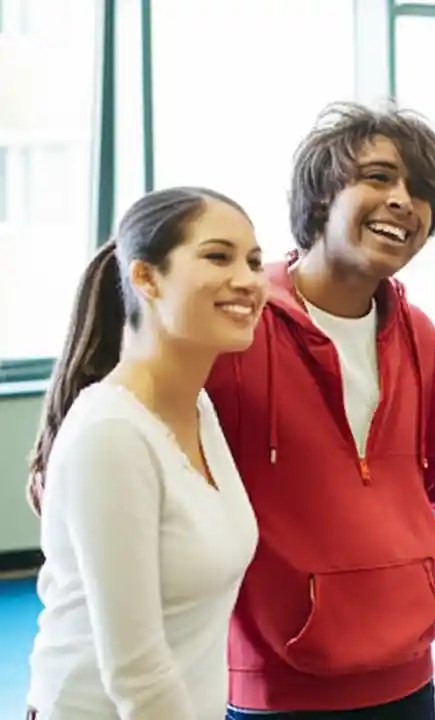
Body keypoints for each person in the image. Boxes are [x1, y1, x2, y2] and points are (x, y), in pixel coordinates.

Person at [208, 101, 435, 719]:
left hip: (407, 674)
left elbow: (433, 469)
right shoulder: (237, 325)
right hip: (276, 686)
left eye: (421, 190)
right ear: (321, 197)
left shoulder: (417, 333)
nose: (403, 201)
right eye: (379, 177)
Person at [24, 187, 265, 719]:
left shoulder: (197, 406)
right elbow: (136, 672)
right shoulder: (111, 433)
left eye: (253, 261)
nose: (248, 280)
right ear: (146, 278)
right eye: (218, 256)